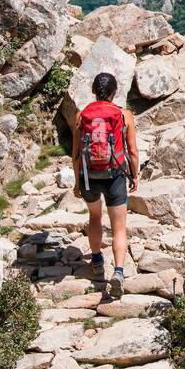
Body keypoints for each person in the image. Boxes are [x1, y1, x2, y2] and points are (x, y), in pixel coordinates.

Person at [71, 72, 139, 298]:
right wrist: (134, 175)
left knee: (94, 217)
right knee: (119, 227)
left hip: (89, 176)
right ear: (114, 92)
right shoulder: (123, 115)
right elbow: (132, 151)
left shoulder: (82, 116)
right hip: (115, 175)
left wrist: (77, 181)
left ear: (93, 91)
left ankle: (98, 261)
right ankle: (118, 271)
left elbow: (75, 154)